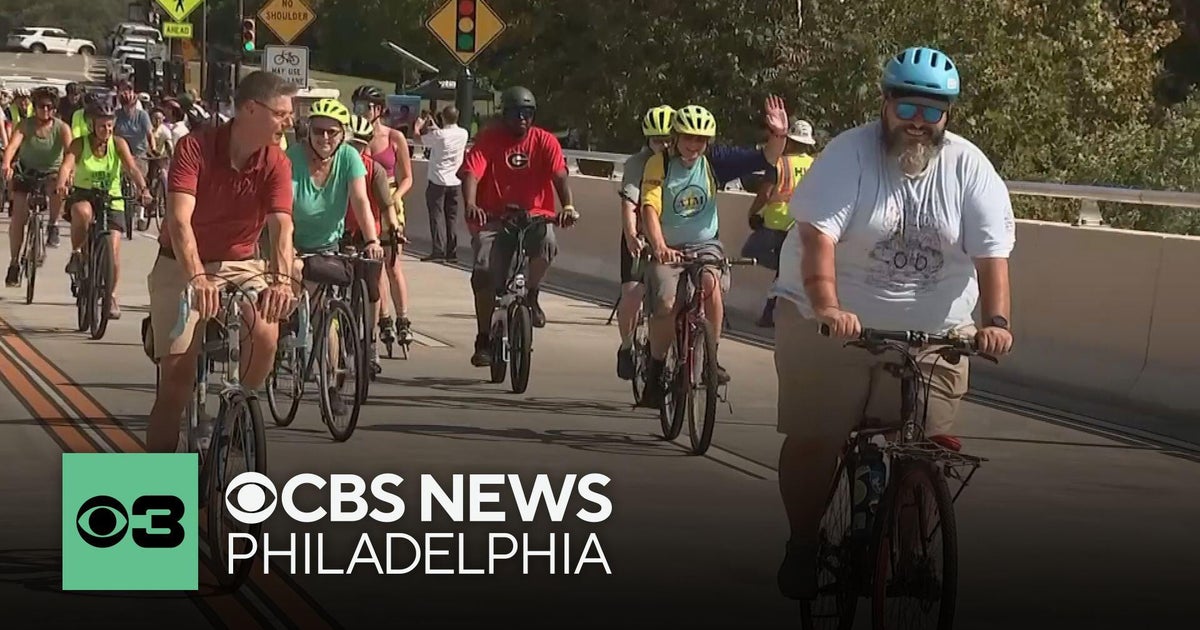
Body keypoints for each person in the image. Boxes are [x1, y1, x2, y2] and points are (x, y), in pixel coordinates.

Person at [770, 47, 1016, 600]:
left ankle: (909, 552)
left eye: (933, 113)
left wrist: (996, 321)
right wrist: (828, 307)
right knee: (817, 437)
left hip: (935, 328)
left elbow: (992, 254)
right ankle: (805, 542)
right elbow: (817, 239)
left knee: (927, 447)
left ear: (948, 114)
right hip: (832, 320)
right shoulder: (848, 156)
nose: (918, 124)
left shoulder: (968, 166)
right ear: (885, 103)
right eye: (908, 108)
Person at [143, 71, 299, 454]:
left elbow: (282, 227)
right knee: (176, 380)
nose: (290, 122)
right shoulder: (195, 148)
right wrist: (196, 276)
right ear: (250, 109)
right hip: (182, 263)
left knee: (265, 332)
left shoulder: (276, 161)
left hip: (241, 263)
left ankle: (235, 413)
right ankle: (153, 488)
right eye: (281, 113)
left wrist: (280, 280)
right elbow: (179, 221)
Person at [637, 98, 789, 406]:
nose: (695, 146)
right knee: (666, 302)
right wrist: (660, 247)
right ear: (676, 138)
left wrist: (779, 134)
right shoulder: (660, 163)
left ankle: (710, 359)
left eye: (701, 140)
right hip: (668, 246)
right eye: (689, 138)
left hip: (706, 243)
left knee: (711, 286)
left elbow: (768, 157)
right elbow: (650, 207)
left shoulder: (715, 160)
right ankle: (655, 370)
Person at [460, 86, 579, 367]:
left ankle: (533, 293)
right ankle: (484, 337)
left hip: (535, 215)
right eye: (515, 114)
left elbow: (560, 177)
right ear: (505, 115)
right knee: (484, 272)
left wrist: (568, 207)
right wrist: (471, 204)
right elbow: (471, 174)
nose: (522, 119)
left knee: (548, 242)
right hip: (495, 217)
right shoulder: (490, 139)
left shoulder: (545, 141)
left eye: (527, 114)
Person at [56, 91, 151, 319]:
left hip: (111, 197)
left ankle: (111, 296)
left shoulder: (118, 144)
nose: (106, 131)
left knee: (114, 248)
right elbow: (67, 166)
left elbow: (132, 168)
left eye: (110, 126)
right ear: (91, 125)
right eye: (102, 127)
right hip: (85, 193)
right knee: (82, 212)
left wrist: (143, 189)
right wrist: (61, 183)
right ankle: (78, 253)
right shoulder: (80, 144)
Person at [614, 105, 674, 381]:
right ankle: (627, 346)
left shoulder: (680, 160)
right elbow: (630, 203)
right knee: (632, 294)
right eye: (656, 140)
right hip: (640, 235)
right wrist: (630, 235)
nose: (662, 145)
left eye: (667, 139)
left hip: (672, 238)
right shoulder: (637, 164)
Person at [345, 115, 408, 373]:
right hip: (343, 232)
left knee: (372, 287)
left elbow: (386, 205)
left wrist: (393, 229)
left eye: (361, 145)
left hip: (370, 231)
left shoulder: (375, 170)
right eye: (352, 145)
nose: (356, 151)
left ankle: (370, 341)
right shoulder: (333, 166)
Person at [744, 118, 816, 327]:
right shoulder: (813, 165)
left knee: (749, 250)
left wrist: (753, 212)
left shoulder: (780, 163)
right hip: (800, 224)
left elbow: (765, 193)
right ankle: (770, 310)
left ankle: (783, 279)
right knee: (783, 270)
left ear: (790, 141)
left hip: (776, 224)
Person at [1, 86, 71, 284]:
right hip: (27, 172)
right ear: (35, 107)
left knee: (58, 186)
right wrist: (6, 164)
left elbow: (70, 153)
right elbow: (13, 146)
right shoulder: (25, 125)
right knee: (18, 220)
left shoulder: (61, 128)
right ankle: (14, 263)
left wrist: (69, 173)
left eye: (50, 107)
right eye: (41, 106)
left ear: (55, 109)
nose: (46, 111)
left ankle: (53, 224)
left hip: (51, 173)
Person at [350, 85, 413, 232]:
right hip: (360, 193)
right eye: (357, 107)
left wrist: (397, 196)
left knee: (393, 241)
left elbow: (407, 177)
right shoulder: (350, 136)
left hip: (388, 194)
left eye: (365, 107)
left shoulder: (395, 137)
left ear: (378, 110)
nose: (360, 112)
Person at [414, 105, 469, 262]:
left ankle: (438, 250)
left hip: (438, 181)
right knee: (451, 218)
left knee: (436, 216)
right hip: (455, 181)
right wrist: (435, 127)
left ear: (443, 117)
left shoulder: (439, 135)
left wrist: (417, 127)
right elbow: (443, 135)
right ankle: (452, 252)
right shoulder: (463, 133)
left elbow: (418, 139)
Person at [114, 80, 155, 231]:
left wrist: (153, 147)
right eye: (125, 106)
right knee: (118, 180)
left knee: (140, 178)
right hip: (121, 154)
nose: (128, 109)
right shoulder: (117, 115)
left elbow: (149, 134)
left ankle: (141, 214)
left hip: (139, 153)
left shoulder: (142, 116)